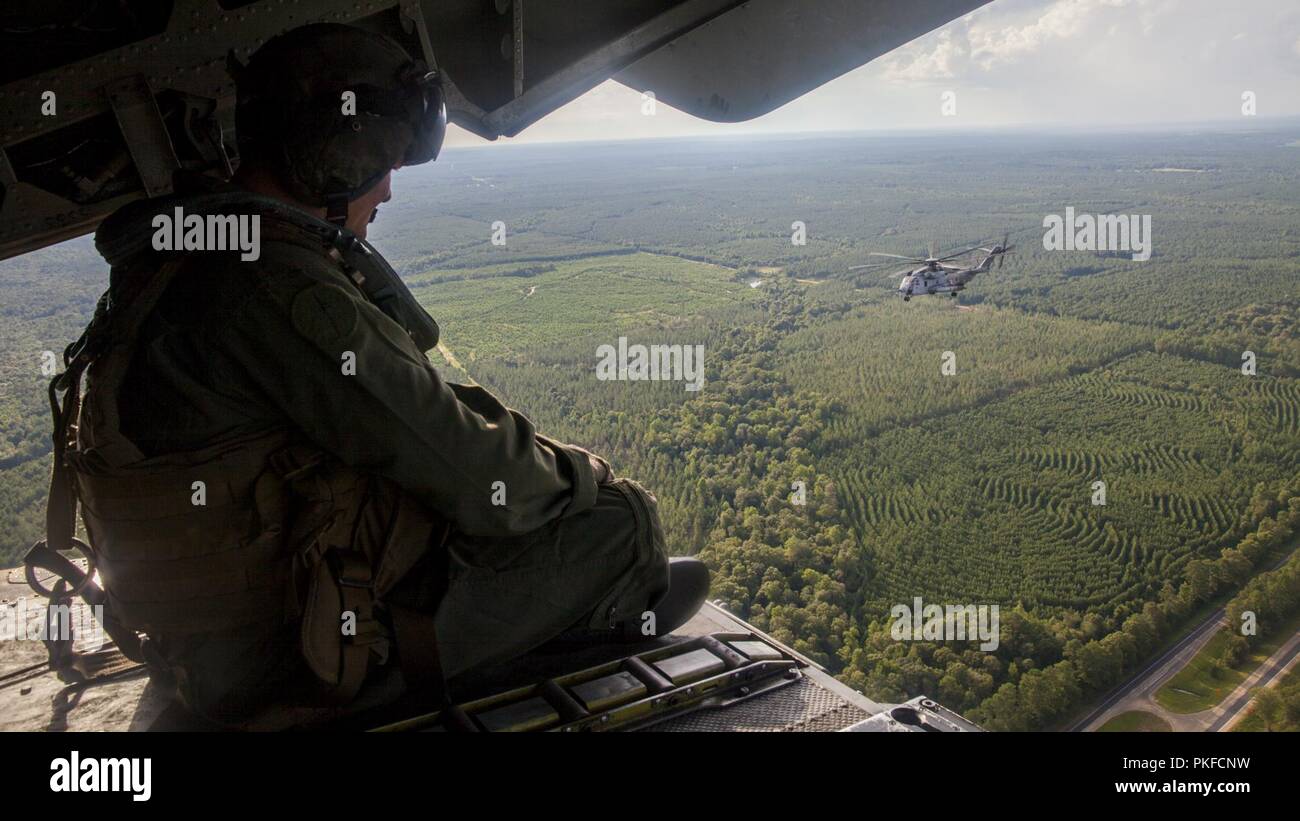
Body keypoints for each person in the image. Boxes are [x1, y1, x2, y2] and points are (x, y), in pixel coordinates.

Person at [51, 22, 708, 723]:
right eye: (384, 162)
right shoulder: (275, 287)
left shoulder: (183, 252)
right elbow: (472, 472)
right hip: (275, 654)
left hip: (205, 633)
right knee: (620, 525)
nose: (388, 190)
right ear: (337, 154)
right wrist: (587, 474)